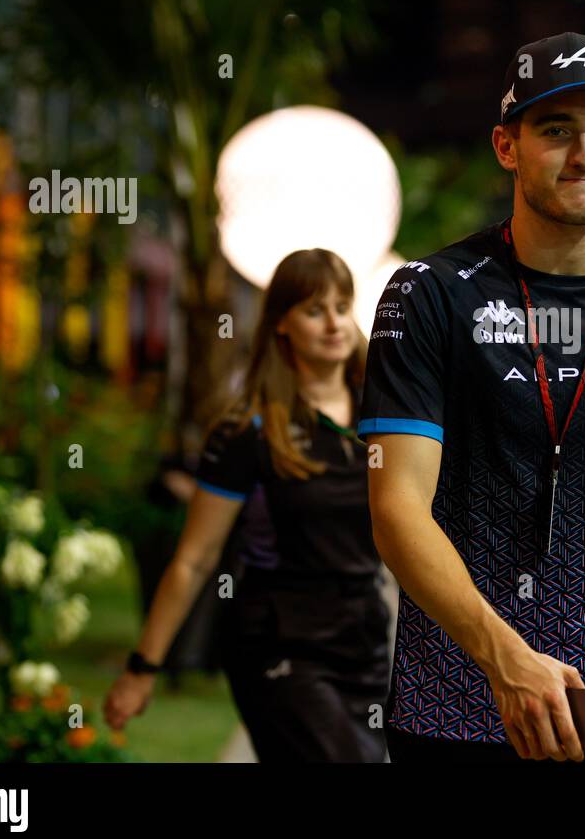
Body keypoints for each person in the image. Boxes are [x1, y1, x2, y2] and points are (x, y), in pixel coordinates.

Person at [359, 32, 585, 762]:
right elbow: (396, 507)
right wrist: (505, 661)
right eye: (556, 130)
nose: (583, 154)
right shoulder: (430, 295)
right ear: (507, 145)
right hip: (462, 702)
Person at [103, 249, 391, 762]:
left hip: (363, 642)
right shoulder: (247, 431)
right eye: (313, 310)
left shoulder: (384, 418)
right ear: (281, 323)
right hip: (280, 648)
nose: (333, 323)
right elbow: (194, 558)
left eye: (342, 306)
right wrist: (142, 669)